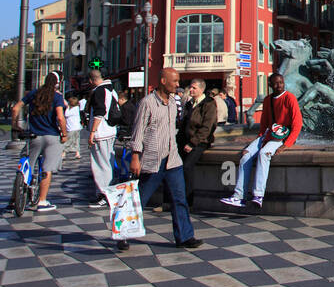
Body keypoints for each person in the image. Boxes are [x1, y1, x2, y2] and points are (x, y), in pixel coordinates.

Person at [123, 67, 201, 252]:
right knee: (140, 199)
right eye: (174, 81)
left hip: (172, 159)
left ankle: (184, 236)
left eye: (178, 81)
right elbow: (138, 131)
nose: (177, 84)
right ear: (163, 81)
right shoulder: (147, 103)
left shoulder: (173, 103)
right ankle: (123, 233)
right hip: (152, 160)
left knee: (179, 199)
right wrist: (135, 157)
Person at [221, 71, 302, 210]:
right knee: (245, 155)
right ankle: (239, 196)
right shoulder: (268, 100)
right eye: (276, 83)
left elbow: (297, 124)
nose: (279, 85)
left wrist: (286, 145)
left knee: (264, 154)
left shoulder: (290, 98)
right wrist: (256, 142)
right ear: (270, 85)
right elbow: (264, 123)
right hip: (268, 135)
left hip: (282, 136)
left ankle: (258, 195)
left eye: (281, 82)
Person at [17, 71, 67, 212]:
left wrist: (15, 125)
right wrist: (64, 134)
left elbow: (15, 108)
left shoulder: (34, 93)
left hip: (34, 135)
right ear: (57, 84)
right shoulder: (57, 97)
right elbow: (60, 117)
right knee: (47, 169)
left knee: (27, 164)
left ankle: (16, 195)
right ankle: (42, 201)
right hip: (52, 136)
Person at [178, 78, 219, 207]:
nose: (190, 89)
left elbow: (207, 126)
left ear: (201, 89)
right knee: (174, 167)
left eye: (194, 88)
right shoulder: (190, 103)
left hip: (200, 142)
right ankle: (174, 199)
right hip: (185, 139)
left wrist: (193, 143)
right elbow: (184, 123)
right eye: (190, 87)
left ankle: (188, 201)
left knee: (187, 167)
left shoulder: (209, 103)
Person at [86, 69, 120, 209]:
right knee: (108, 162)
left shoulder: (99, 91)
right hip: (111, 130)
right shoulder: (112, 90)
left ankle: (104, 194)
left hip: (102, 132)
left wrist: (92, 132)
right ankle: (109, 192)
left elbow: (99, 113)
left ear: (91, 80)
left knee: (100, 164)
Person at [62, 93, 83, 161]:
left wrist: (67, 107)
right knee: (76, 140)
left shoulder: (72, 110)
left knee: (68, 141)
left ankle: (64, 153)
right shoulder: (77, 108)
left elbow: (66, 114)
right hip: (77, 128)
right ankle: (77, 153)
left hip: (71, 128)